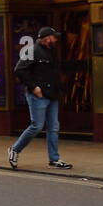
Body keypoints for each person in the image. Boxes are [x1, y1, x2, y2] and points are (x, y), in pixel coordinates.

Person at [8, 26, 72, 170]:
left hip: (52, 94)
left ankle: (54, 159)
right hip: (38, 95)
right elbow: (19, 69)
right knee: (36, 126)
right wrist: (34, 87)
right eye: (53, 36)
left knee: (54, 127)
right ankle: (15, 150)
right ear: (47, 38)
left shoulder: (52, 51)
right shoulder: (32, 50)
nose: (55, 39)